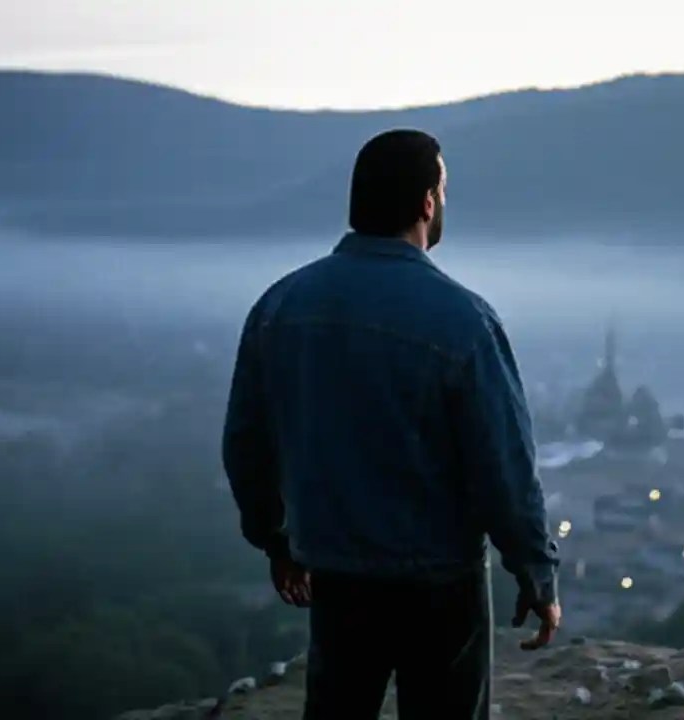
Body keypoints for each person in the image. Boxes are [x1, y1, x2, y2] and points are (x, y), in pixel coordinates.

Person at [221, 128, 561, 719]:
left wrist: (277, 541)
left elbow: (247, 446)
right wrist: (534, 569)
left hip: (335, 575)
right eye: (444, 189)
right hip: (441, 584)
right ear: (429, 201)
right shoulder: (463, 321)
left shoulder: (280, 308)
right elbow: (504, 470)